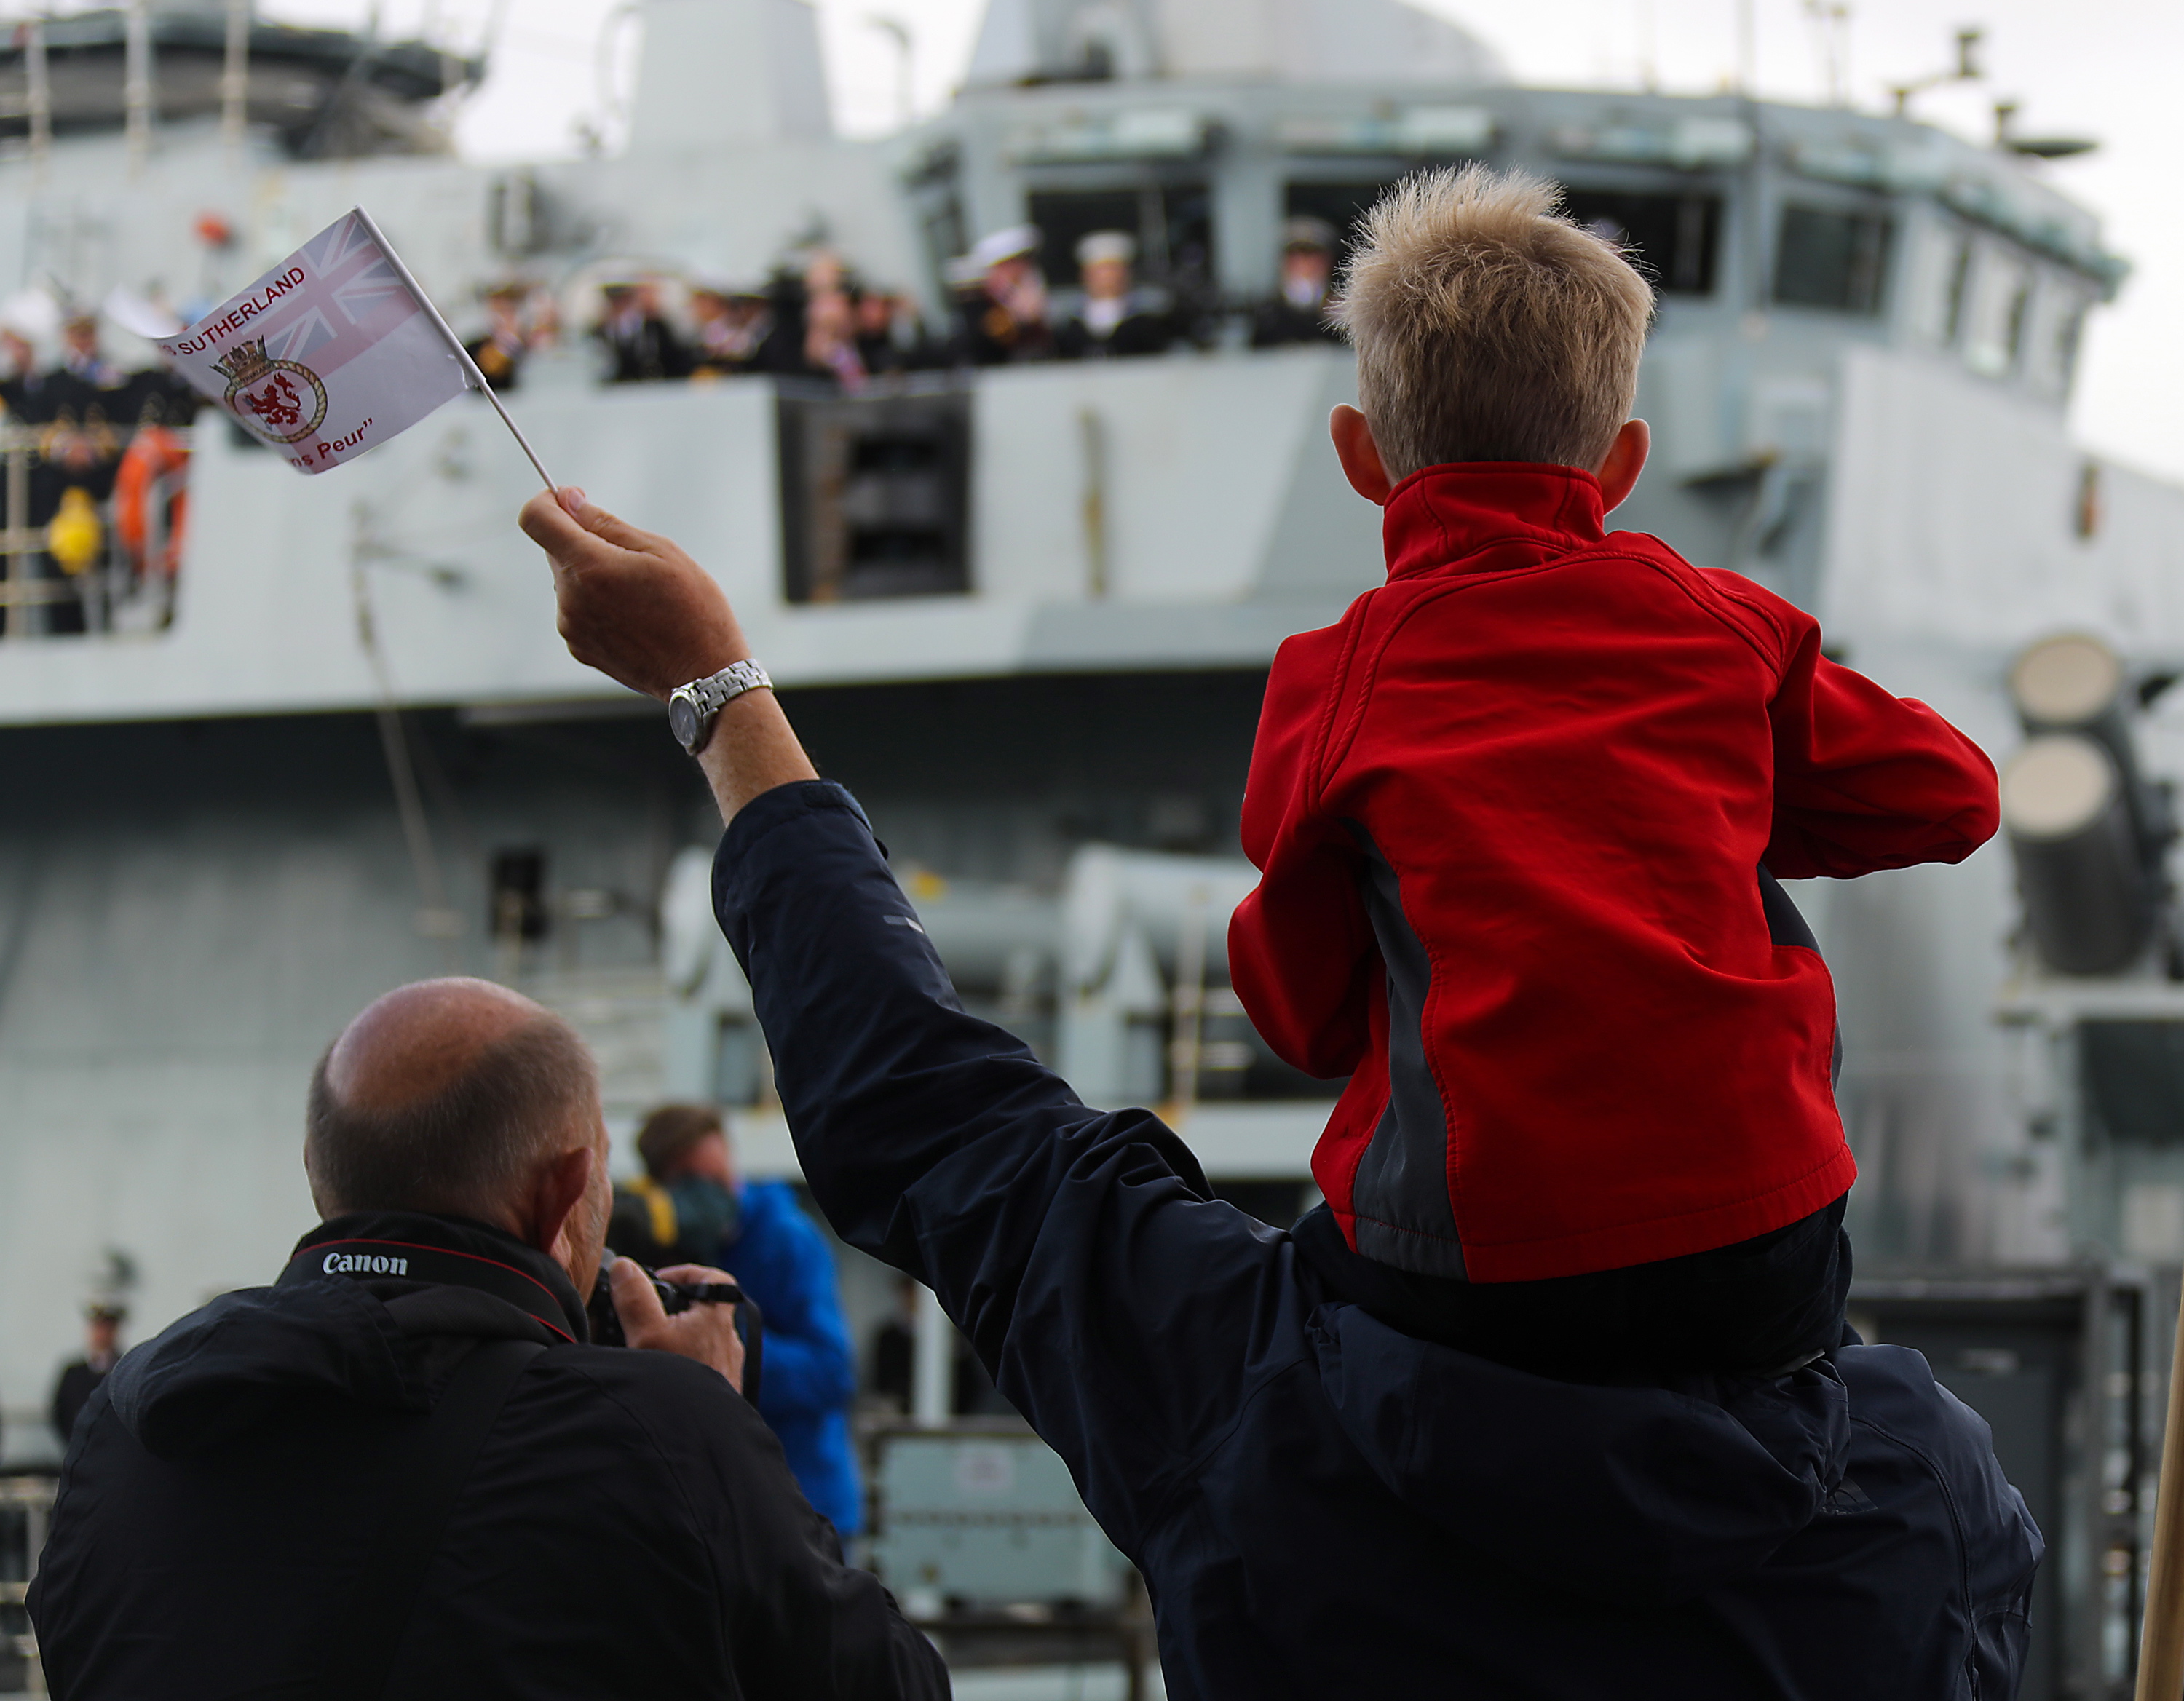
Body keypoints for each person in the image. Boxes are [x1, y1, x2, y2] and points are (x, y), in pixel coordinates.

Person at [513, 482, 2038, 1699]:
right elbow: (1942, 790)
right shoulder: (1925, 1496)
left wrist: (721, 693)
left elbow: (916, 1110)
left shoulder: (1240, 1407)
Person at [1229, 167, 2001, 1382]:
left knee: (1283, 1342)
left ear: (1359, 454)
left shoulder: (1331, 678)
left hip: (1476, 1269)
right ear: (1624, 464)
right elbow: (1955, 794)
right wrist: (1710, 798)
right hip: (1758, 1238)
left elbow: (1302, 1010)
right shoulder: (1724, 625)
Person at [29, 977, 945, 1700]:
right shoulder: (665, 1434)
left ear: (318, 1173)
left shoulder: (127, 1419)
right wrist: (707, 1415)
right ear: (565, 1190)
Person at [629, 1103, 863, 1534]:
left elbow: (833, 1373)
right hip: (721, 1506)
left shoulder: (787, 1241)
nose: (719, 1196)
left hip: (804, 1503)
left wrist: (728, 1338)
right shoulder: (668, 1254)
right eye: (693, 1183)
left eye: (722, 1178)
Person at [1055, 232, 1170, 361]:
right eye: (1101, 270)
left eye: (1114, 269)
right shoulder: (1070, 326)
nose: (1109, 277)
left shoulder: (1145, 322)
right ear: (1085, 275)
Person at [951, 225, 1052, 367]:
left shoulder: (1034, 298)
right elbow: (981, 345)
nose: (1024, 270)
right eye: (1014, 265)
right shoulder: (977, 302)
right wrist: (1018, 320)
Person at [1249, 215, 1342, 349]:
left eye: (1310, 255)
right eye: (1295, 256)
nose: (1303, 264)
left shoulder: (1342, 311)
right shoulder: (1268, 314)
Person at [48, 1304, 124, 1445]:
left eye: (107, 1328)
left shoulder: (124, 1370)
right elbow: (59, 1412)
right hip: (80, 1450)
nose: (102, 1334)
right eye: (98, 1328)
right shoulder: (73, 1373)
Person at [595, 278, 691, 384]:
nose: (619, 304)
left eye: (624, 299)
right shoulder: (601, 331)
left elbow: (674, 361)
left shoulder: (654, 327)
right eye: (615, 300)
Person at [464, 282, 534, 392]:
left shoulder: (531, 345)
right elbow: (490, 369)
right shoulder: (475, 346)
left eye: (506, 310)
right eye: (496, 310)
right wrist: (508, 341)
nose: (500, 318)